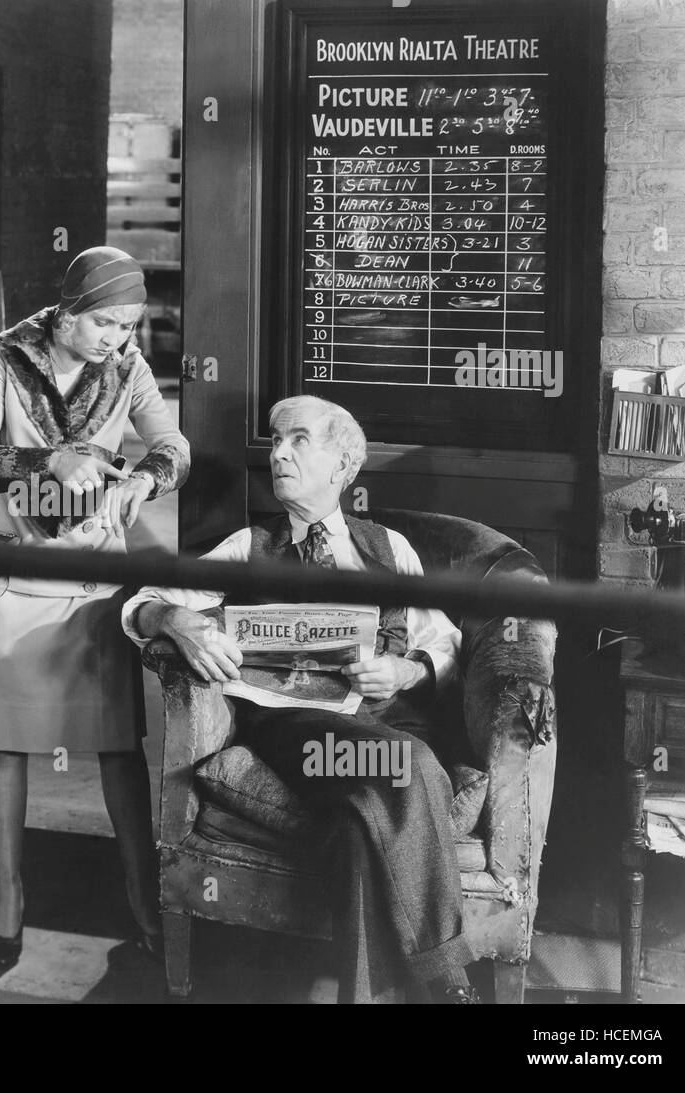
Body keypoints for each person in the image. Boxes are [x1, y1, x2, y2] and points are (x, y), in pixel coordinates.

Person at [121, 395, 478, 1003]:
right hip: (303, 741)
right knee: (411, 766)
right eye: (274, 441)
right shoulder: (246, 548)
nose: (278, 453)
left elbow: (441, 639)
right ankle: (444, 984)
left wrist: (403, 670)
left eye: (297, 440)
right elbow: (142, 602)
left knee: (354, 830)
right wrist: (176, 617)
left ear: (342, 465)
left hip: (381, 723)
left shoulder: (389, 549)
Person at [0, 246, 190, 968]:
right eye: (104, 324)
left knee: (118, 742)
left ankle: (142, 893)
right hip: (9, 573)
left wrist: (144, 483)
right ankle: (9, 893)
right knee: (6, 742)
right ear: (69, 309)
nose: (116, 339)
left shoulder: (128, 367)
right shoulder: (6, 355)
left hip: (90, 581)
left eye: (127, 326)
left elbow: (173, 444)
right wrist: (45, 460)